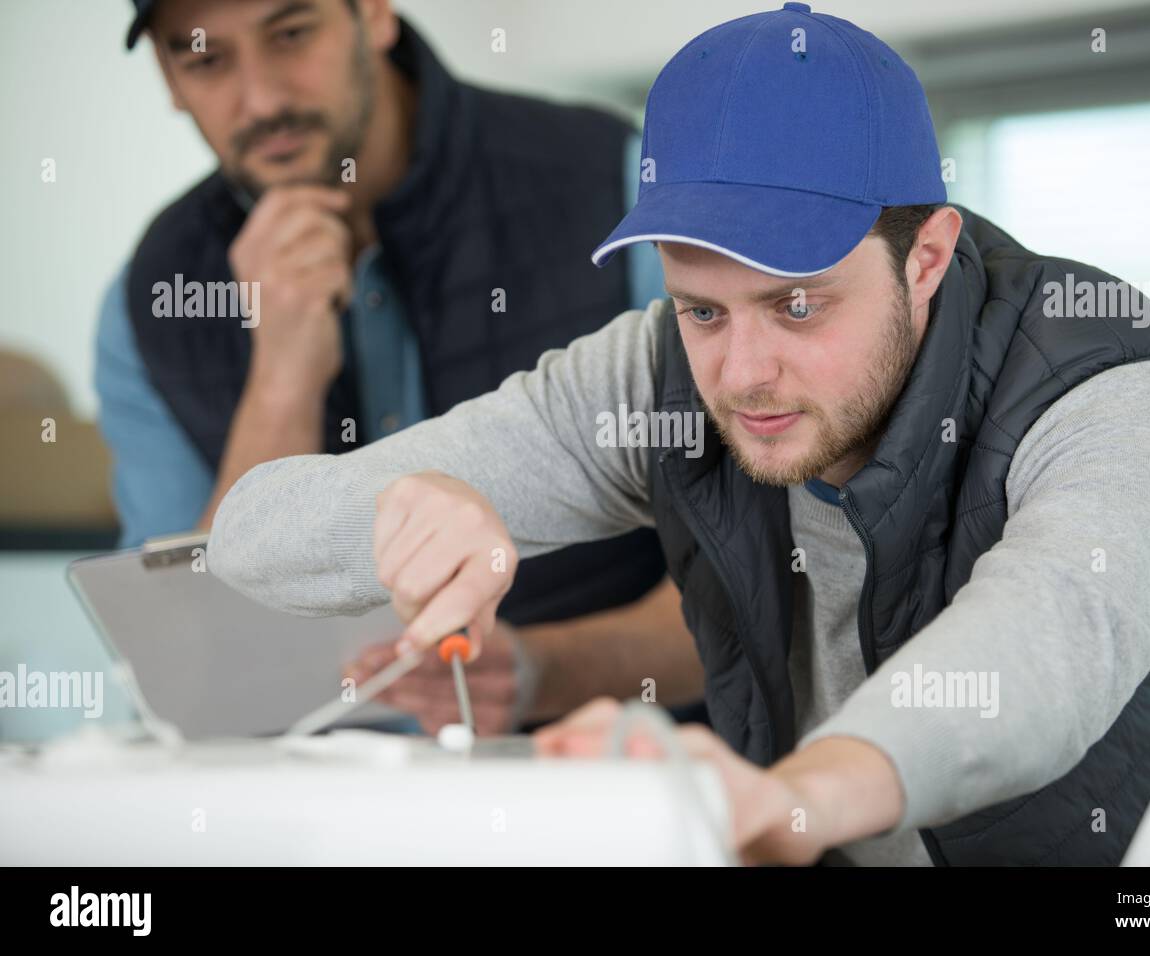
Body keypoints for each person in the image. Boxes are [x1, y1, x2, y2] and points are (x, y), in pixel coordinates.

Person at [206, 3, 1150, 865]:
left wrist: (793, 799)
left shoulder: (1119, 393)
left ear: (927, 256)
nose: (742, 371)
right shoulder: (661, 372)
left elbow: (1039, 647)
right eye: (702, 307)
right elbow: (244, 540)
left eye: (798, 305)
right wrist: (402, 500)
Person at [94, 0, 704, 735]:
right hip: (311, 813)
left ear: (376, 13)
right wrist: (283, 378)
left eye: (290, 35)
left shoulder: (619, 195)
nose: (261, 100)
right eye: (205, 58)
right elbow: (189, 688)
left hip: (599, 781)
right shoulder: (151, 300)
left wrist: (546, 670)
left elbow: (766, 577)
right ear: (167, 74)